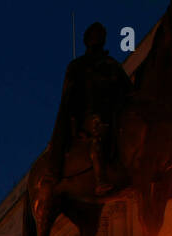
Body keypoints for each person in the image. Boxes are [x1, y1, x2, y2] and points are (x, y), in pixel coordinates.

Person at [49, 22, 134, 195]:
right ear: (87, 40)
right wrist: (74, 124)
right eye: (96, 34)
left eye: (102, 34)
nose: (99, 37)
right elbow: (68, 99)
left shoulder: (111, 64)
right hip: (88, 116)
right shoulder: (77, 66)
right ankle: (100, 177)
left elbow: (128, 89)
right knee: (99, 128)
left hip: (114, 113)